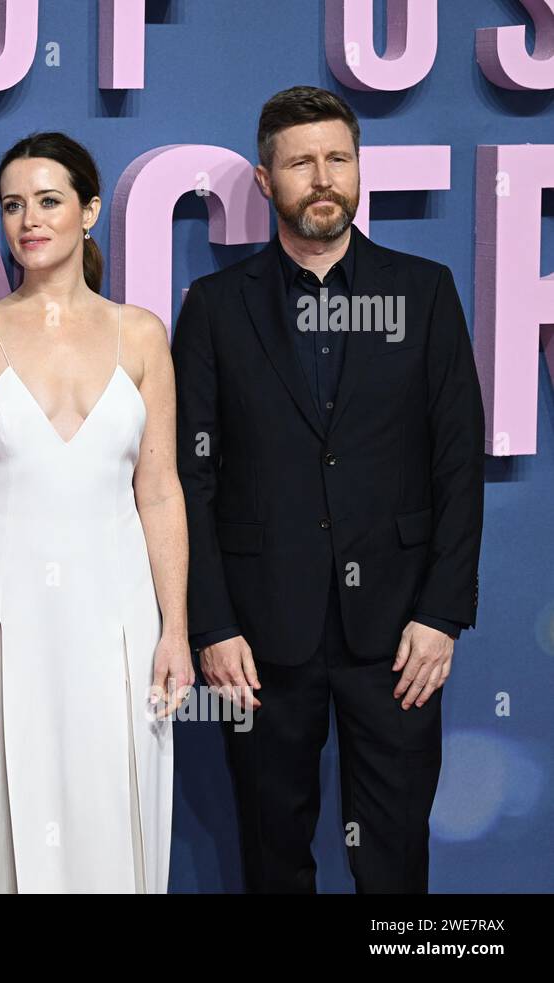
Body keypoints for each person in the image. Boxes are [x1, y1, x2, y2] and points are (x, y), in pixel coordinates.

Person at [173, 86, 485, 893]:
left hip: (400, 632)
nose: (324, 178)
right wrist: (212, 621)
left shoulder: (425, 292)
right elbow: (190, 477)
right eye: (302, 162)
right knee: (273, 854)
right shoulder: (214, 308)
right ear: (264, 177)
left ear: (358, 169)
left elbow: (458, 460)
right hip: (259, 637)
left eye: (338, 159)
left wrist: (442, 611)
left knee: (394, 854)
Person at [0, 132, 193, 893]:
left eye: (48, 200)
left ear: (90, 210)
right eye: (12, 204)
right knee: (0, 803)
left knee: (114, 796)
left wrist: (175, 626)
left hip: (118, 610)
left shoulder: (142, 333)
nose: (28, 220)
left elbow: (162, 489)